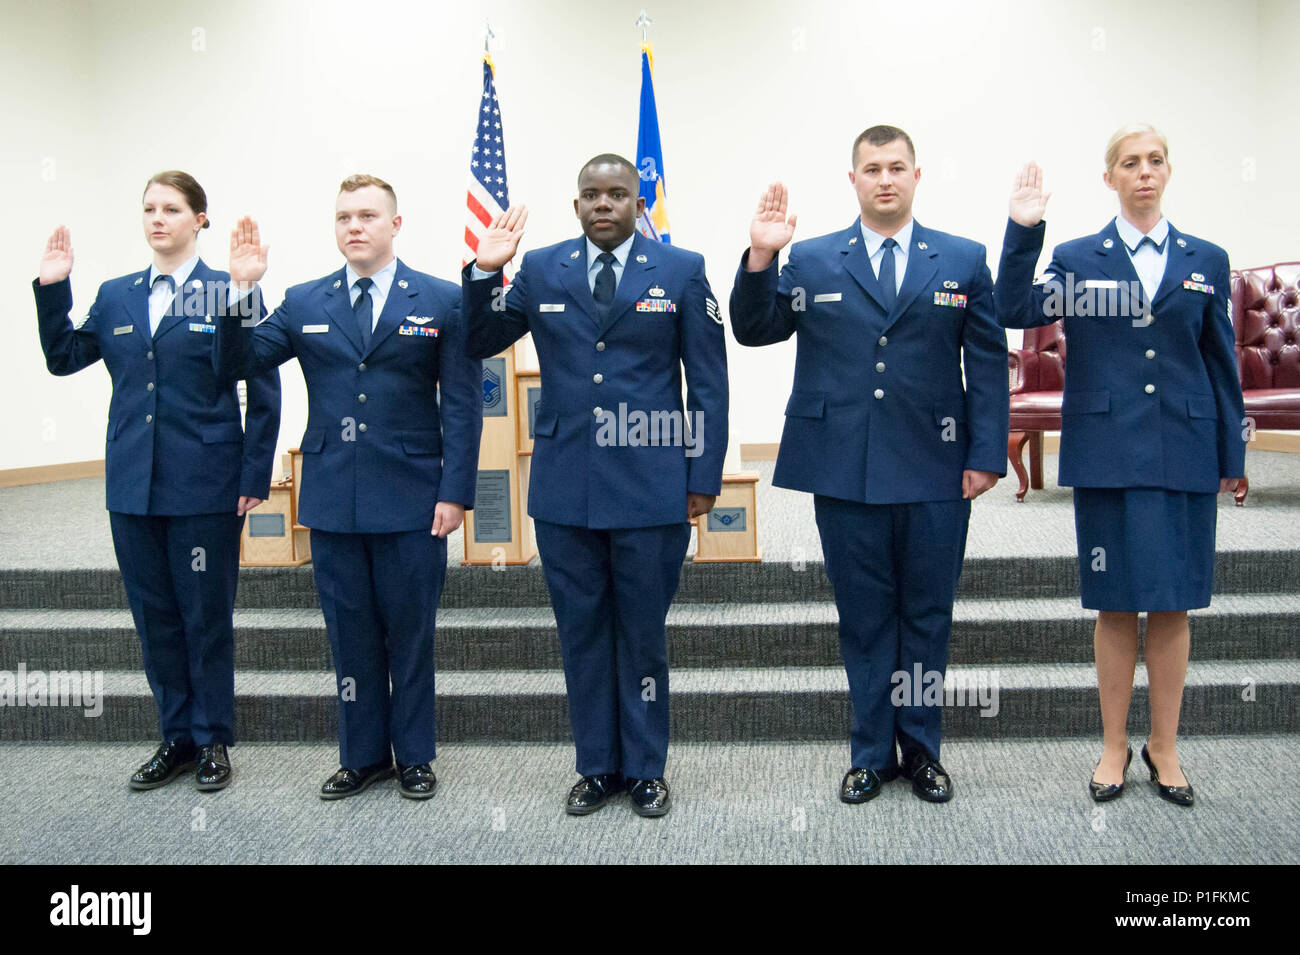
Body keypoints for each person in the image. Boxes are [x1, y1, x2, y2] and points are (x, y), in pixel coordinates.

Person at [729, 126, 1008, 805]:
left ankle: (923, 751)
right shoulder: (816, 259)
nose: (886, 178)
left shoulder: (963, 259)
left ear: (917, 176)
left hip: (937, 466)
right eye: (872, 168)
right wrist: (762, 256)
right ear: (852, 179)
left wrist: (985, 453)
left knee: (928, 614)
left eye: (897, 167)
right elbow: (753, 327)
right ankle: (869, 752)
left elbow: (991, 362)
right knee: (863, 617)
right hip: (843, 463)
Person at [462, 154, 728, 817]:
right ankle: (596, 765)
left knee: (642, 633)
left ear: (640, 203)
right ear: (575, 205)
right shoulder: (542, 267)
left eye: (617, 193)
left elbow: (709, 383)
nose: (603, 203)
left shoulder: (681, 269)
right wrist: (483, 271)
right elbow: (480, 337)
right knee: (580, 631)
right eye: (591, 195)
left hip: (651, 483)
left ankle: (644, 768)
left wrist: (703, 476)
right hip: (564, 484)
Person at [995, 125, 1246, 807]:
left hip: (1185, 449)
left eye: (1155, 160)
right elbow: (1015, 308)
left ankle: (1164, 746)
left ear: (1169, 171)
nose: (1144, 172)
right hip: (1108, 450)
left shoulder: (1206, 259)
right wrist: (1024, 231)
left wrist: (1233, 450)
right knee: (1112, 602)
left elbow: (1220, 360)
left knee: (1173, 601)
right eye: (1129, 162)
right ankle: (1113, 745)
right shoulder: (1078, 257)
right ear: (1109, 177)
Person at [216, 174, 482, 800]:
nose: (354, 227)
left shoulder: (442, 299)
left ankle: (414, 755)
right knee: (348, 634)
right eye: (343, 218)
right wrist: (240, 291)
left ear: (396, 224)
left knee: (411, 634)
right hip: (334, 496)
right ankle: (362, 756)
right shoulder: (305, 301)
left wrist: (456, 492)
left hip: (415, 496)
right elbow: (237, 363)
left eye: (367, 215)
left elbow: (464, 407)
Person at [32, 170, 281, 791]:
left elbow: (259, 383)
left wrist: (253, 473)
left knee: (205, 616)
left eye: (172, 208)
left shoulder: (229, 288)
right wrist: (52, 289)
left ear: (201, 218)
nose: (157, 219)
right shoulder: (117, 295)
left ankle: (213, 741)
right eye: (148, 208)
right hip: (133, 485)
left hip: (205, 482)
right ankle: (175, 736)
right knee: (155, 618)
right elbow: (64, 358)